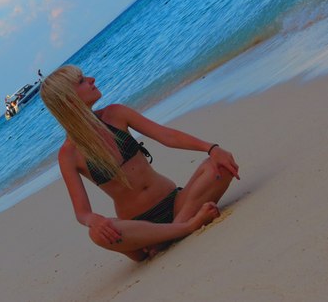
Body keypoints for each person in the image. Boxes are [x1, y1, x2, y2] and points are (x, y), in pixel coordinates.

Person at [40, 65, 240, 261]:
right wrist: (93, 220)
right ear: (69, 99)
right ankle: (187, 226)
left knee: (220, 166)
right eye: (82, 81)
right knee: (96, 234)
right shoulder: (69, 154)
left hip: (177, 203)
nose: (92, 79)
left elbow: (167, 136)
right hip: (138, 227)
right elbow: (82, 212)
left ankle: (167, 237)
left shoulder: (115, 114)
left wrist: (212, 149)